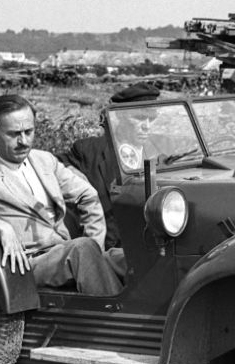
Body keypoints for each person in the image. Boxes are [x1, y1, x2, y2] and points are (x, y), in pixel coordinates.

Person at [0, 93, 123, 296]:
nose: (24, 141)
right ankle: (116, 319)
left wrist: (95, 245)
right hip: (28, 264)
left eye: (29, 131)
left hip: (64, 251)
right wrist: (1, 227)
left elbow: (87, 195)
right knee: (82, 250)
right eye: (14, 134)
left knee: (124, 258)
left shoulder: (44, 160)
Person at [59, 82, 160, 248]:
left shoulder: (161, 150)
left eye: (151, 119)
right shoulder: (89, 150)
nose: (147, 126)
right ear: (119, 116)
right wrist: (77, 178)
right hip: (106, 250)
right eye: (139, 118)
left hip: (151, 247)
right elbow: (52, 164)